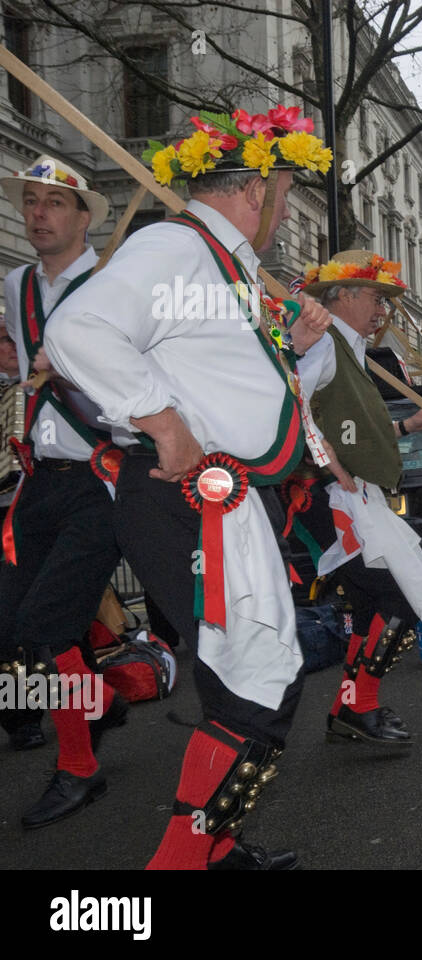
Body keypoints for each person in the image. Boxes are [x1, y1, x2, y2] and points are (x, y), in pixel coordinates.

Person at [46, 106, 339, 868]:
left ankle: (217, 848)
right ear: (256, 190)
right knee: (257, 691)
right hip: (189, 499)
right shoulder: (177, 246)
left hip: (224, 501)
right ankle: (181, 863)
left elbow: (238, 392)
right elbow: (77, 332)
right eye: (283, 191)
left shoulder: (222, 261)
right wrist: (163, 421)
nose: (284, 207)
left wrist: (296, 350)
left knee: (243, 686)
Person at [0, 155, 130, 824]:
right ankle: (100, 701)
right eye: (29, 201)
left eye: (53, 202)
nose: (37, 213)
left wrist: (71, 371)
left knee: (50, 623)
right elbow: (13, 358)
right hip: (37, 479)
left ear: (84, 218)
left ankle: (79, 767)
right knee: (11, 623)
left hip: (100, 479)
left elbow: (138, 392)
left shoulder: (114, 286)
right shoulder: (16, 284)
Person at [293, 249, 422, 744]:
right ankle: (358, 706)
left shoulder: (350, 348)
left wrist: (408, 424)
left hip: (355, 496)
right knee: (396, 598)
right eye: (376, 298)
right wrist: (328, 465)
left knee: (368, 605)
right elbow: (287, 405)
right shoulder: (321, 345)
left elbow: (351, 427)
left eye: (385, 301)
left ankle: (351, 709)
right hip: (331, 498)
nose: (383, 311)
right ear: (340, 296)